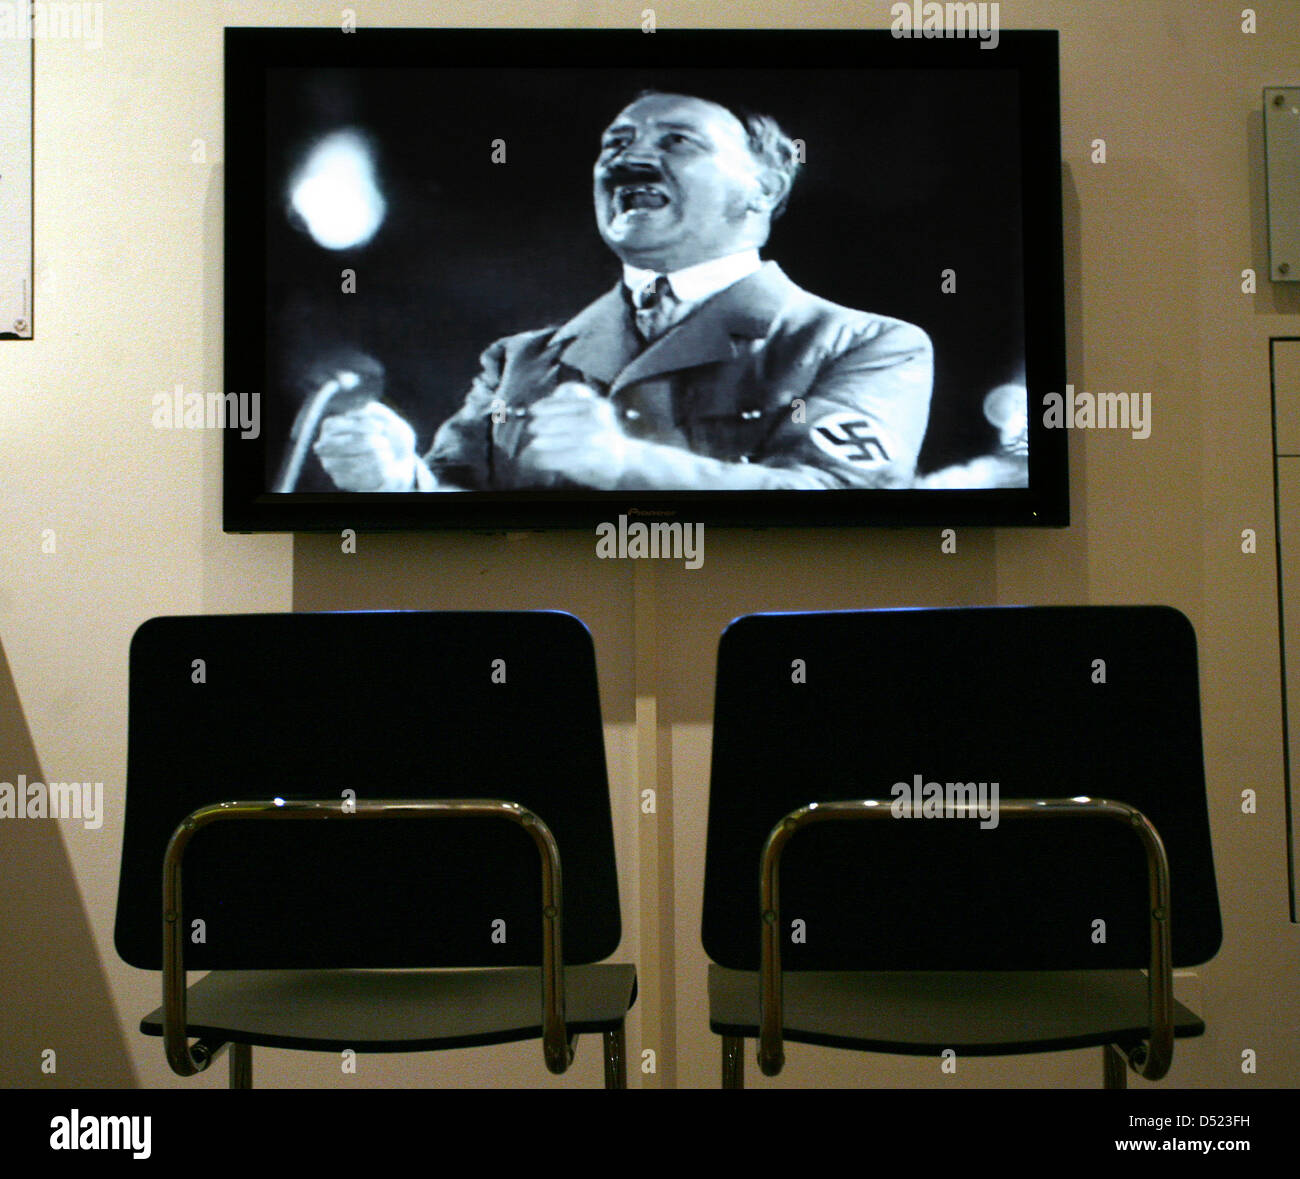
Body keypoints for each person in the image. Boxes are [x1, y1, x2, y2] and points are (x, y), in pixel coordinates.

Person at [312, 90, 933, 492]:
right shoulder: (519, 360)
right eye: (616, 145)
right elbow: (465, 507)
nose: (628, 161)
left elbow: (843, 497)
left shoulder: (867, 344)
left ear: (763, 190)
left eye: (677, 142)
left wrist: (624, 463)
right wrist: (401, 483)